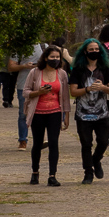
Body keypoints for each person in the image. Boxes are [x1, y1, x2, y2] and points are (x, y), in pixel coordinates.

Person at [69, 38, 109, 183]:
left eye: (97, 49)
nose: (94, 52)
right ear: (85, 52)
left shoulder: (105, 68)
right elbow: (73, 91)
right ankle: (88, 172)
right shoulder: (78, 69)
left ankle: (96, 160)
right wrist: (87, 89)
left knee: (104, 141)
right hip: (83, 114)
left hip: (102, 113)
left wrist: (102, 87)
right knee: (86, 144)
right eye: (91, 49)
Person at [23, 45, 69, 186]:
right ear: (45, 58)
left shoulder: (62, 74)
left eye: (57, 57)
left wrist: (66, 115)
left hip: (55, 112)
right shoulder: (35, 72)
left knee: (53, 142)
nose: (55, 59)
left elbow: (65, 96)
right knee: (37, 143)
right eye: (52, 57)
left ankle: (52, 175)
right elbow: (25, 91)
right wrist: (39, 92)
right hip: (37, 112)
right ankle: (35, 172)